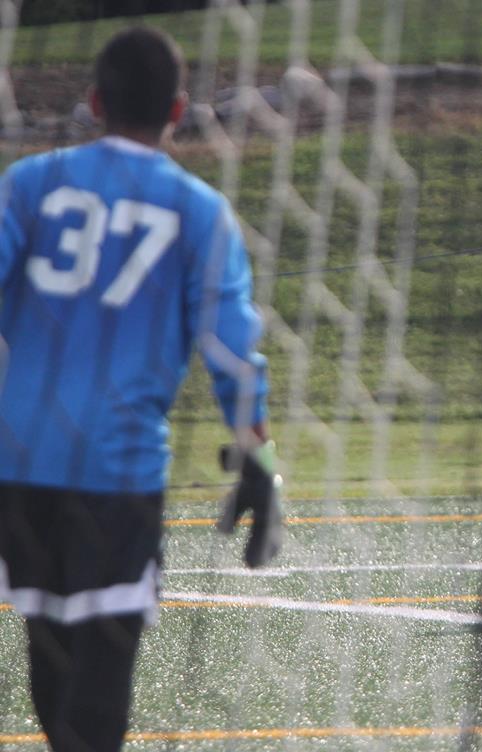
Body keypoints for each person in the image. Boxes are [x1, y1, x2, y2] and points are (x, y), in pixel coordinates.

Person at [0, 28, 280, 751]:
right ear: (179, 110)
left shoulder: (28, 184)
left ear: (93, 102)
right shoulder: (199, 211)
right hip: (117, 469)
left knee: (50, 643)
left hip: (23, 462)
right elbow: (229, 346)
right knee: (102, 673)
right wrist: (258, 457)